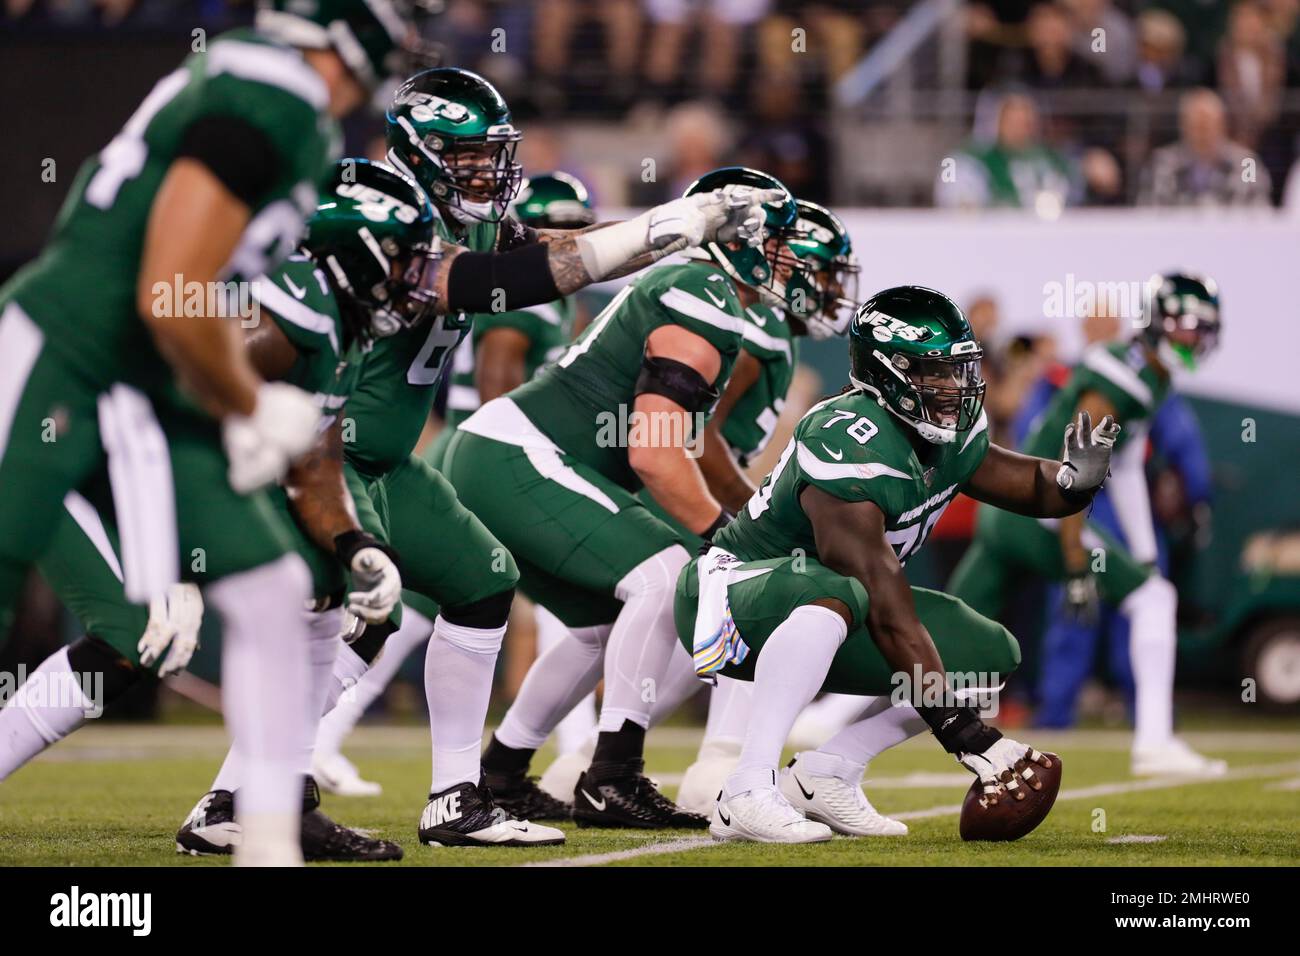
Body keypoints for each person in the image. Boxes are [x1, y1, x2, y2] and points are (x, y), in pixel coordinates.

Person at [0, 0, 442, 867]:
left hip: (143, 386)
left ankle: (263, 838)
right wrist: (246, 403)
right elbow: (170, 287)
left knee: (274, 589)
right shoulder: (268, 90)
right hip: (63, 358)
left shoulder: (303, 124)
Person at [673, 286, 1112, 843]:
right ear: (886, 374)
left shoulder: (948, 434)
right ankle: (747, 786)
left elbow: (1024, 482)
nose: (954, 388)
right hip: (732, 597)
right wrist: (964, 733)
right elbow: (878, 593)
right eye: (935, 373)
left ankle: (827, 772)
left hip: (829, 611)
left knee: (986, 653)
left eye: (959, 370)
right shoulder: (847, 436)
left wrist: (1074, 483)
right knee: (844, 593)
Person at [449, 167, 804, 829]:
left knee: (599, 627)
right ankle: (612, 775)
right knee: (669, 573)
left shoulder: (702, 290)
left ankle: (499, 774)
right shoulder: (703, 289)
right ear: (739, 237)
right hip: (517, 454)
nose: (791, 256)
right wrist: (729, 540)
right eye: (778, 237)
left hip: (515, 457)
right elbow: (655, 451)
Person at [309, 170, 600, 798]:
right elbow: (496, 380)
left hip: (401, 459)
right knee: (375, 613)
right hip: (396, 457)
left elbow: (549, 254)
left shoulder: (492, 244)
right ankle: (267, 777)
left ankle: (462, 792)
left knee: (473, 590)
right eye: (567, 226)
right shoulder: (429, 250)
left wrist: (661, 236)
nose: (573, 240)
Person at [948, 273, 1226, 775]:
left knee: (938, 636)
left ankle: (834, 729)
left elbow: (1127, 469)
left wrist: (1144, 554)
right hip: (1038, 510)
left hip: (1010, 512)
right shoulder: (1126, 373)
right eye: (1192, 326)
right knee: (1154, 599)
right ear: (1164, 322)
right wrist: (1077, 559)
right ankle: (1155, 742)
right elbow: (1079, 465)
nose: (1199, 339)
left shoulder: (1148, 374)